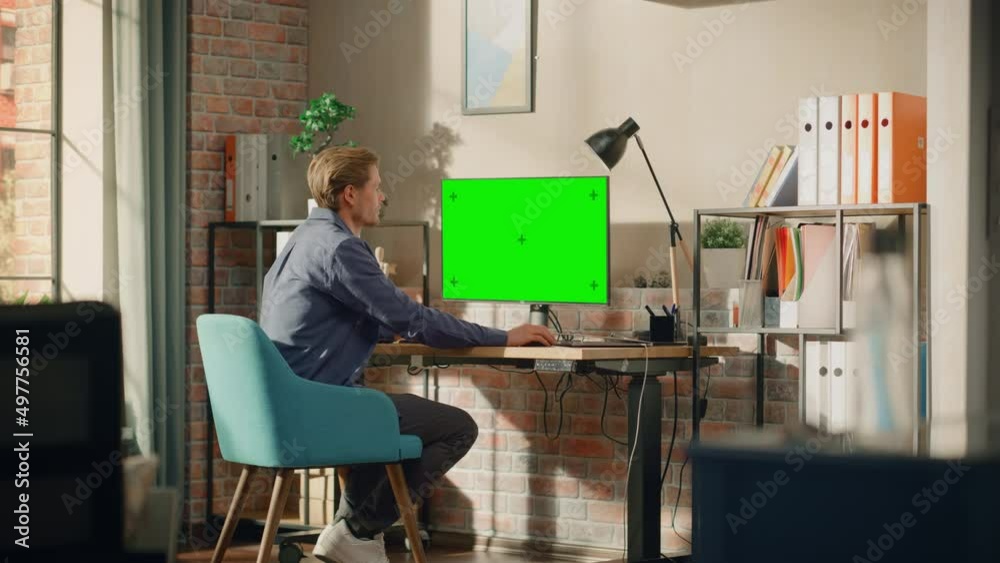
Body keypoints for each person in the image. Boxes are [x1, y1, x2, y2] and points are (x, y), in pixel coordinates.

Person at [260, 146, 555, 562]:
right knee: (456, 428)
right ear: (350, 194)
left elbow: (333, 315)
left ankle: (349, 537)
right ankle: (357, 531)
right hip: (319, 409)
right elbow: (416, 321)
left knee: (376, 415)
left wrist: (390, 322)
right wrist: (505, 335)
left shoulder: (302, 239)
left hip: (285, 409)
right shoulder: (341, 247)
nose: (382, 197)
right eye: (377, 188)